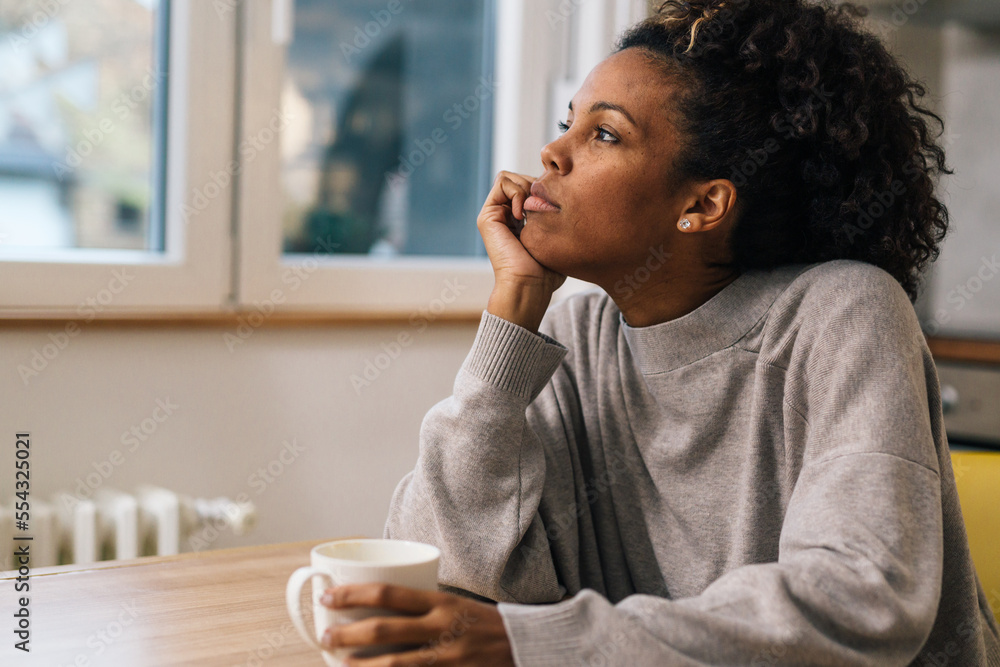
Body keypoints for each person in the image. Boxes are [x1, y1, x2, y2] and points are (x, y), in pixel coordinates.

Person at [316, 1, 1000, 664]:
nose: (552, 154)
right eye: (567, 123)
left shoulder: (843, 312)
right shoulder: (575, 338)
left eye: (604, 134)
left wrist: (532, 642)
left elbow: (862, 602)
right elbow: (454, 583)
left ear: (703, 204)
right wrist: (509, 323)